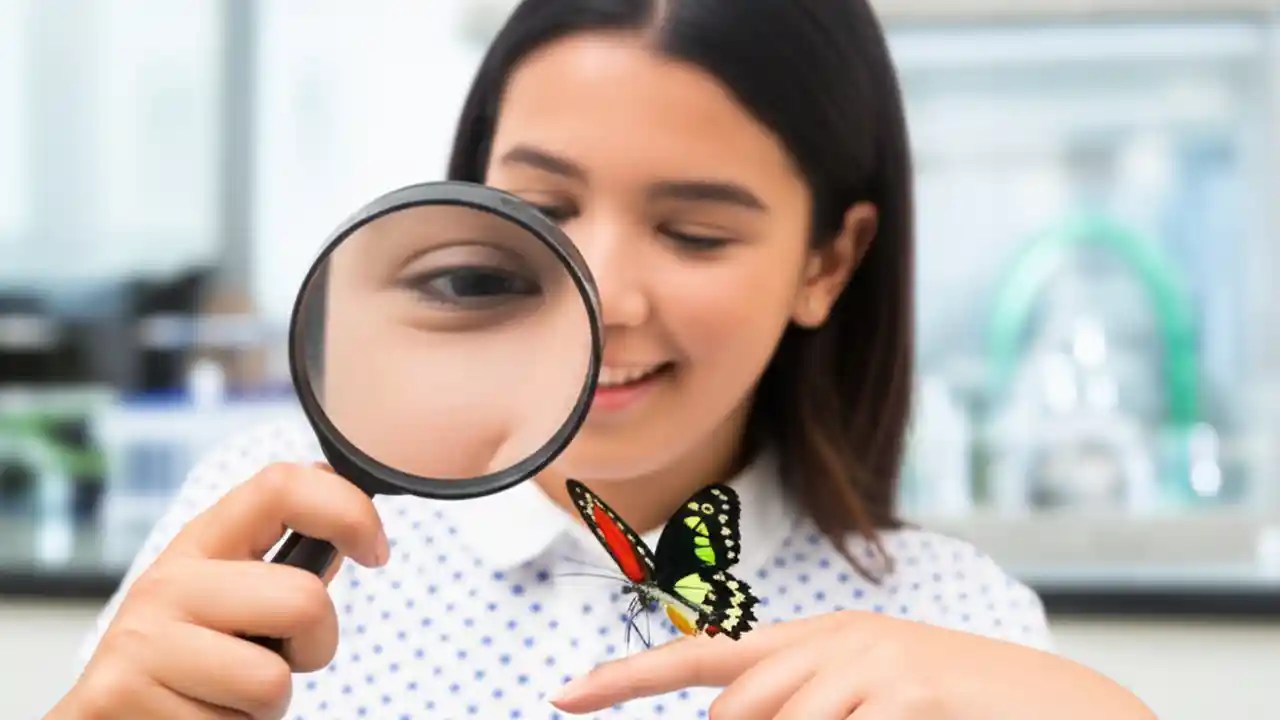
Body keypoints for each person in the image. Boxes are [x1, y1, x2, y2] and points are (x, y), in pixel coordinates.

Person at [50, 1, 1157, 718]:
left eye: (694, 233)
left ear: (828, 259)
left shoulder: (954, 627)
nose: (603, 300)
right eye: (542, 208)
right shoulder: (264, 522)